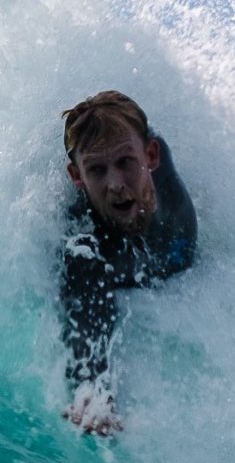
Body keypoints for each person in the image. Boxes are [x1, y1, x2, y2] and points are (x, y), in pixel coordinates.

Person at [56, 91, 198, 435]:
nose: (116, 184)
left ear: (150, 156)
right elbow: (87, 310)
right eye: (97, 171)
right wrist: (91, 388)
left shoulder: (176, 217)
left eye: (125, 163)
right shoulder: (84, 242)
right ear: (78, 177)